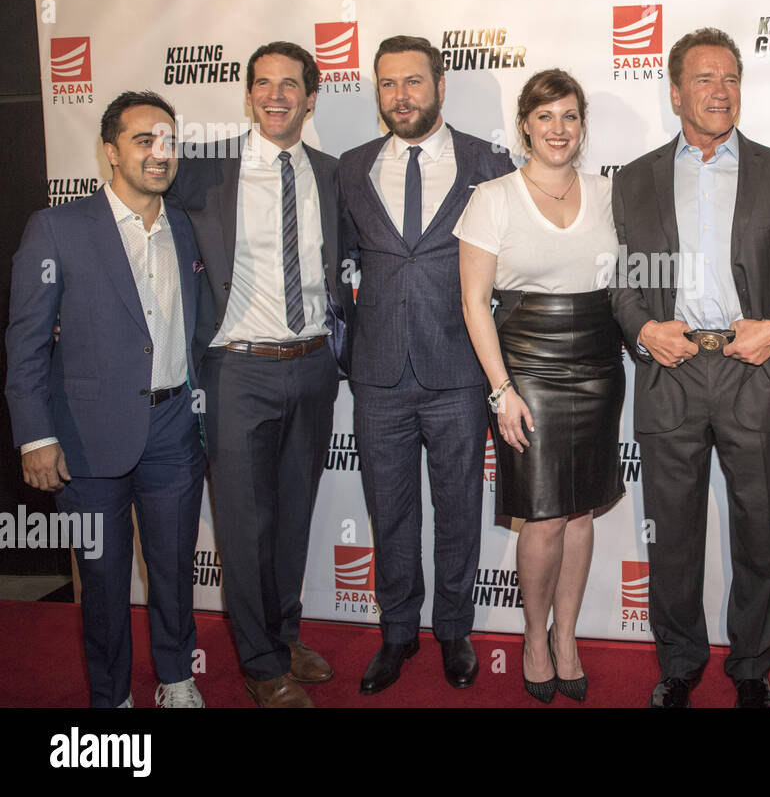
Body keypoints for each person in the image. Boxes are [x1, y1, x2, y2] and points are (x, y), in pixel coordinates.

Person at [611, 27, 770, 708]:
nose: (720, 90)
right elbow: (617, 276)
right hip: (669, 370)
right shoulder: (636, 177)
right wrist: (642, 330)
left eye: (730, 77)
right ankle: (678, 664)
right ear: (675, 92)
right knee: (672, 535)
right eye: (704, 78)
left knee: (760, 531)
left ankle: (754, 669)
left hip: (751, 370)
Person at [7, 91, 206, 708]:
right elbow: (27, 340)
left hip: (175, 428)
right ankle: (111, 696)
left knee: (174, 569)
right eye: (144, 140)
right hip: (86, 437)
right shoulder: (58, 227)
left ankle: (176, 678)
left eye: (168, 141)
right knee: (101, 577)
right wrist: (36, 435)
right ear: (110, 151)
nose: (158, 153)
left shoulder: (185, 225)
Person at [170, 42, 353, 708]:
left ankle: (284, 634)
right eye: (264, 84)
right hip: (234, 373)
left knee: (293, 516)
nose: (276, 95)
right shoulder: (200, 169)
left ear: (311, 96)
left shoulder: (333, 174)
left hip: (311, 369)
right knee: (244, 525)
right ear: (248, 95)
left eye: (291, 85)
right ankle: (258, 662)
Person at [340, 35, 512, 696]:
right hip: (379, 373)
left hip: (459, 371)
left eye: (414, 81)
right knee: (389, 510)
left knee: (459, 506)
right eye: (388, 84)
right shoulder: (353, 167)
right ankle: (396, 631)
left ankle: (455, 628)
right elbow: (339, 269)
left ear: (440, 85)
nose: (402, 95)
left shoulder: (486, 160)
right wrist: (347, 348)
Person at [455, 68, 624, 704]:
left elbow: (623, 284)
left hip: (600, 365)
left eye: (570, 116)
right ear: (525, 123)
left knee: (580, 512)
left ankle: (568, 637)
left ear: (582, 127)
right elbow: (475, 303)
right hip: (528, 367)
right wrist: (501, 390)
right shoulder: (493, 196)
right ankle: (532, 635)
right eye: (546, 116)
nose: (559, 129)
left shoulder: (607, 193)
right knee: (545, 518)